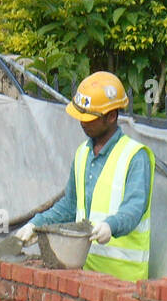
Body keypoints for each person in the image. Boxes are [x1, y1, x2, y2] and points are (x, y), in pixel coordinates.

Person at [13, 71, 154, 281]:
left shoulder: (135, 156)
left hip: (125, 281)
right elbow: (70, 206)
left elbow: (134, 208)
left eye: (89, 118)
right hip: (87, 276)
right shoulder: (83, 154)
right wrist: (37, 224)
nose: (82, 122)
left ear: (111, 116)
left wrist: (111, 226)